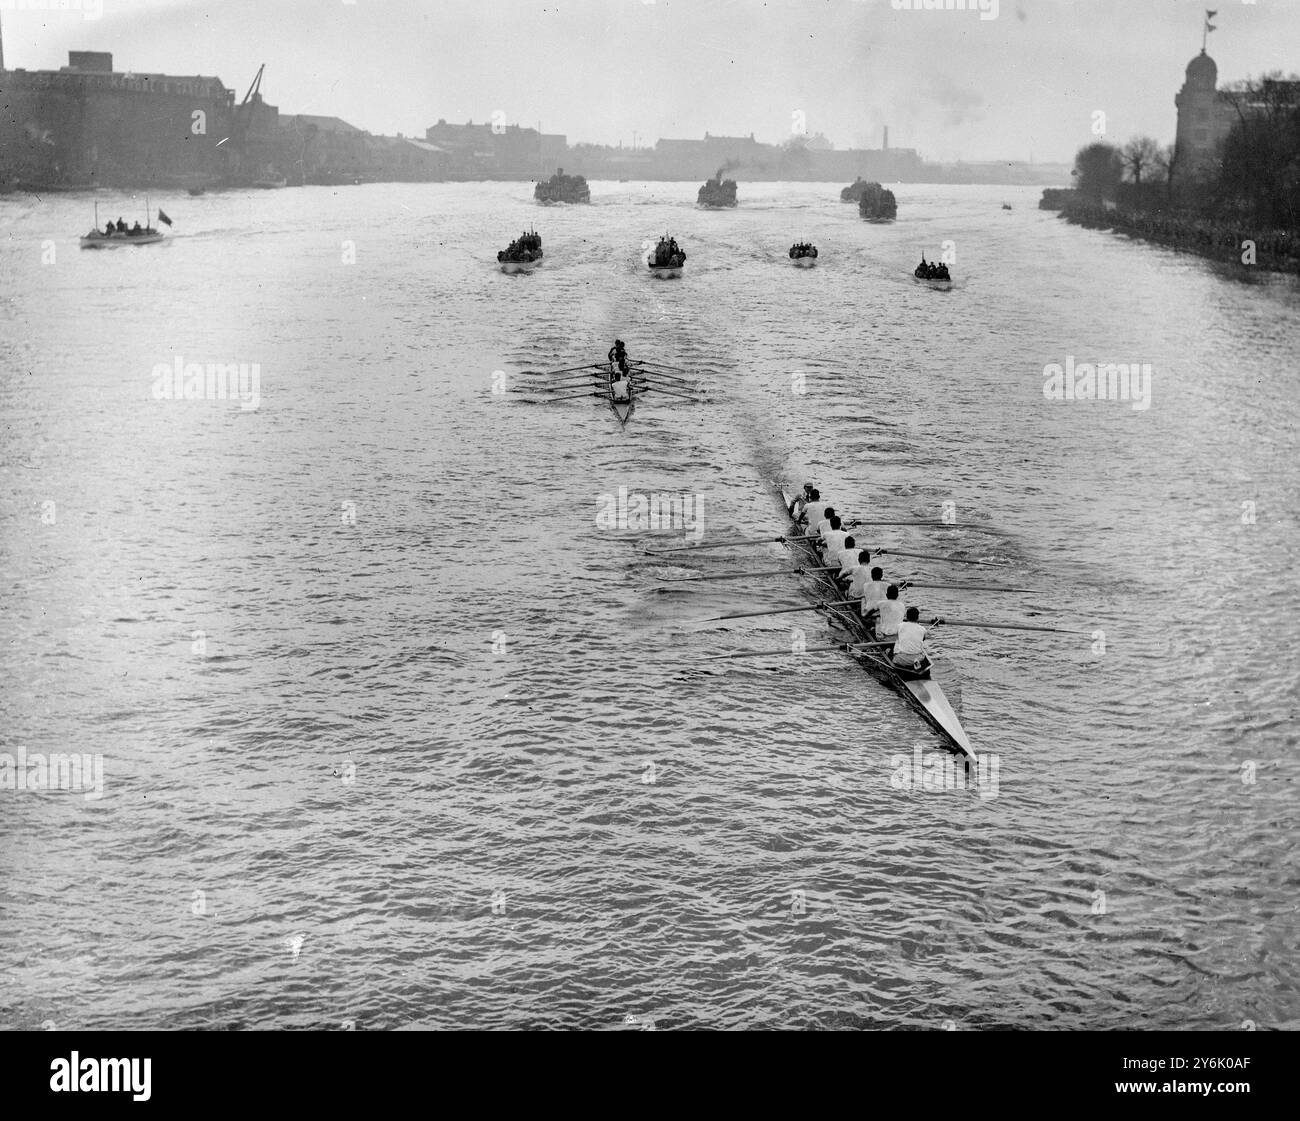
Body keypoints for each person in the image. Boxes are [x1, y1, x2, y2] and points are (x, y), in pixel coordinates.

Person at [892, 606, 935, 671]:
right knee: (921, 648)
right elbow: (923, 639)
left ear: (906, 616)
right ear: (917, 617)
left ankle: (908, 662)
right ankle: (916, 662)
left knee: (897, 641)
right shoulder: (922, 629)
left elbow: (895, 635)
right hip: (917, 658)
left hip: (901, 659)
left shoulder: (900, 625)